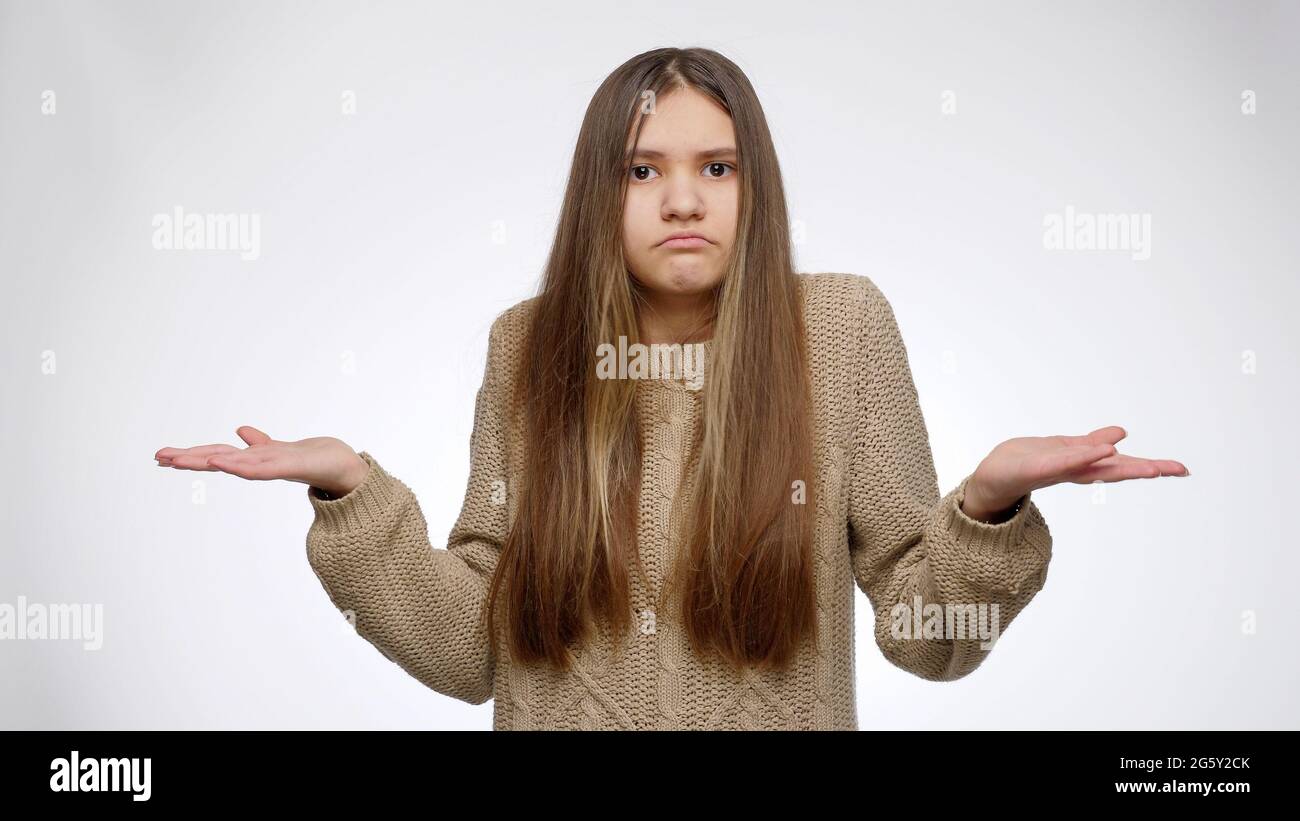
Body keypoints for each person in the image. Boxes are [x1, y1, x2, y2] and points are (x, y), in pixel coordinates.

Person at [155, 47, 1188, 730]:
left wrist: (983, 509)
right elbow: (474, 649)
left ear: (757, 184)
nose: (683, 199)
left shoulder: (838, 327)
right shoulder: (525, 348)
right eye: (642, 170)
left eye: (718, 168)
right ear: (597, 188)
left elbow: (926, 637)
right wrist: (354, 499)